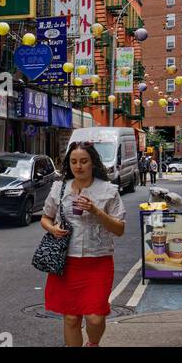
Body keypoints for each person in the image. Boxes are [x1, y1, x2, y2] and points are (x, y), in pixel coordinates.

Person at [39, 141, 125, 349]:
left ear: (93, 163)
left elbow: (119, 229)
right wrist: (52, 229)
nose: (78, 166)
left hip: (98, 261)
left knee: (95, 318)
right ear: (68, 164)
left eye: (84, 161)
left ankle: (92, 344)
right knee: (71, 318)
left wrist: (96, 211)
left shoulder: (108, 190)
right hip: (66, 262)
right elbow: (45, 218)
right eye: (74, 161)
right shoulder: (60, 188)